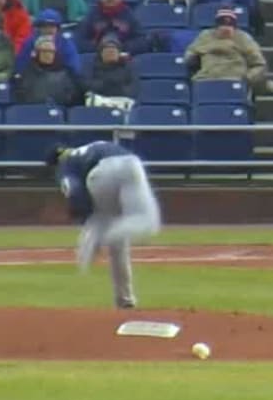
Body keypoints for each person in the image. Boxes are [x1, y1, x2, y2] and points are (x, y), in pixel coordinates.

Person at [46, 140, 164, 309]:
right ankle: (125, 299)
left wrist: (78, 212)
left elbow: (75, 191)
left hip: (101, 173)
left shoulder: (65, 164)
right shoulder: (91, 146)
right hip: (131, 164)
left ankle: (100, 240)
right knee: (147, 220)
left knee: (104, 225)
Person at [185, 7, 273, 92]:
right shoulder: (205, 36)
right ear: (216, 25)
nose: (226, 28)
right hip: (207, 79)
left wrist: (246, 79)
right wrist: (192, 59)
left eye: (230, 25)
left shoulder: (243, 38)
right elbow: (190, 55)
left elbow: (259, 65)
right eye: (223, 24)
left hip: (234, 81)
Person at [79, 0, 150, 55]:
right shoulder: (92, 15)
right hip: (97, 58)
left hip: (123, 57)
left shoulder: (129, 15)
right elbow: (78, 41)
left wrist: (121, 47)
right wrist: (100, 47)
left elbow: (142, 41)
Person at [13, 37, 84, 105]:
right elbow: (22, 98)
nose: (48, 54)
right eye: (44, 51)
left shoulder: (67, 74)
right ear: (36, 53)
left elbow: (72, 97)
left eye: (51, 51)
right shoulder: (26, 74)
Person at [15, 10, 84, 75]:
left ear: (57, 28)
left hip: (60, 81)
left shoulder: (65, 43)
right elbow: (21, 67)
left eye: (52, 26)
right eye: (44, 26)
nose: (48, 30)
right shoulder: (30, 42)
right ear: (39, 28)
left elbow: (75, 68)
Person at [84, 35, 139, 102]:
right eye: (106, 48)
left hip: (122, 101)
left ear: (119, 52)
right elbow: (87, 86)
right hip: (99, 102)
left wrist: (117, 89)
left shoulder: (128, 67)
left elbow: (134, 89)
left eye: (113, 48)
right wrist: (105, 85)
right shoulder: (91, 66)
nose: (110, 51)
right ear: (100, 53)